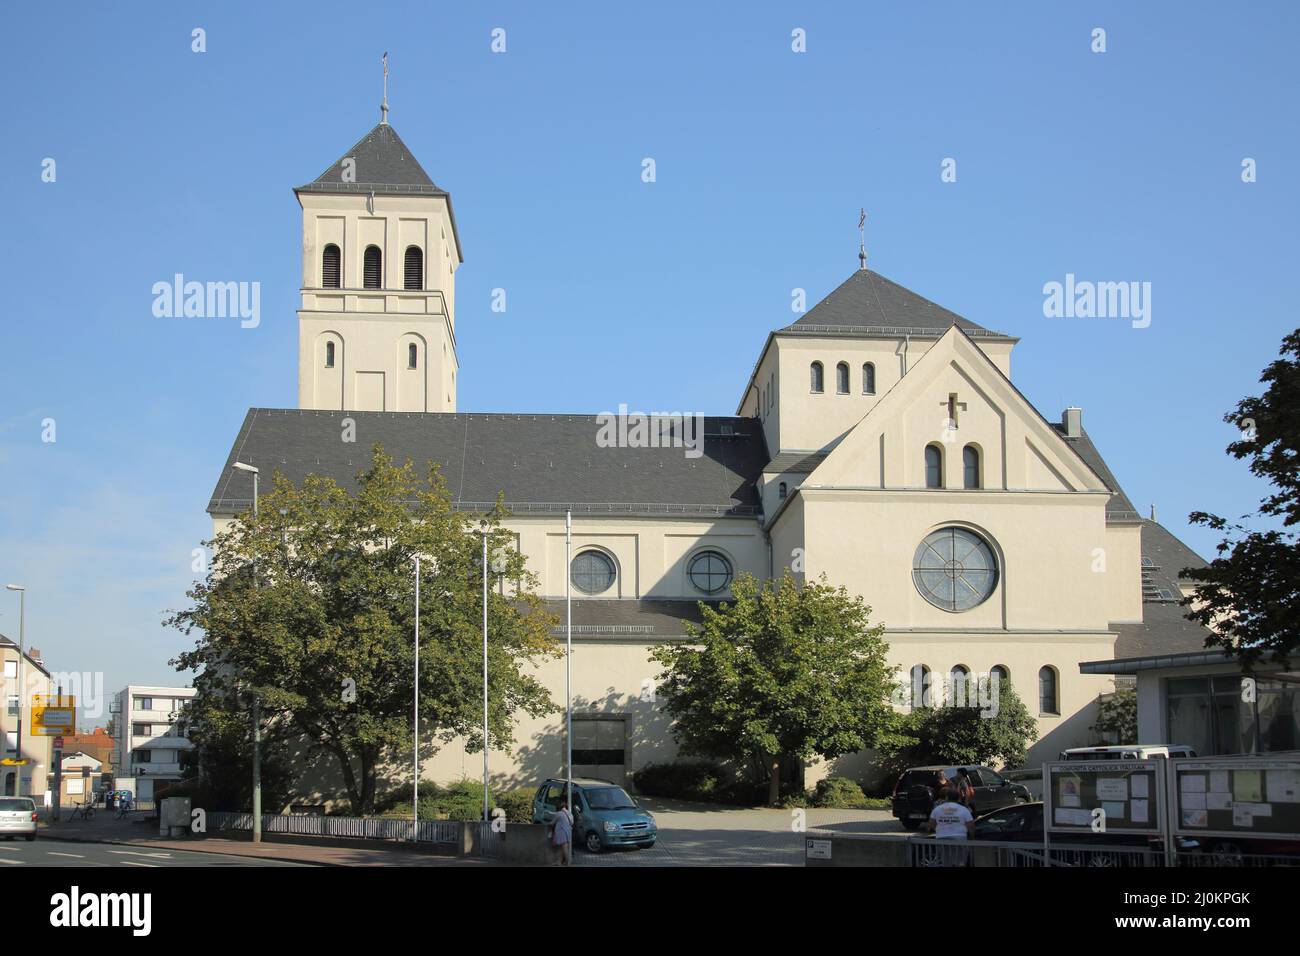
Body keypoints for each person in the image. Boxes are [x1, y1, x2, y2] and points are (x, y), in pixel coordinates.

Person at [927, 786, 975, 866]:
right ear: (958, 798)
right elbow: (971, 826)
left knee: (946, 863)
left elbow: (931, 825)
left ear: (946, 797)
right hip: (960, 839)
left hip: (942, 839)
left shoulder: (937, 809)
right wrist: (972, 837)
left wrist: (941, 829)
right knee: (960, 863)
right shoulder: (964, 809)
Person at [551, 798, 573, 866]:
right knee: (562, 848)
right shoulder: (569, 813)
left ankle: (568, 862)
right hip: (568, 832)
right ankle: (559, 862)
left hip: (561, 832)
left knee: (564, 848)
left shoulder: (559, 814)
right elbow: (572, 823)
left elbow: (552, 822)